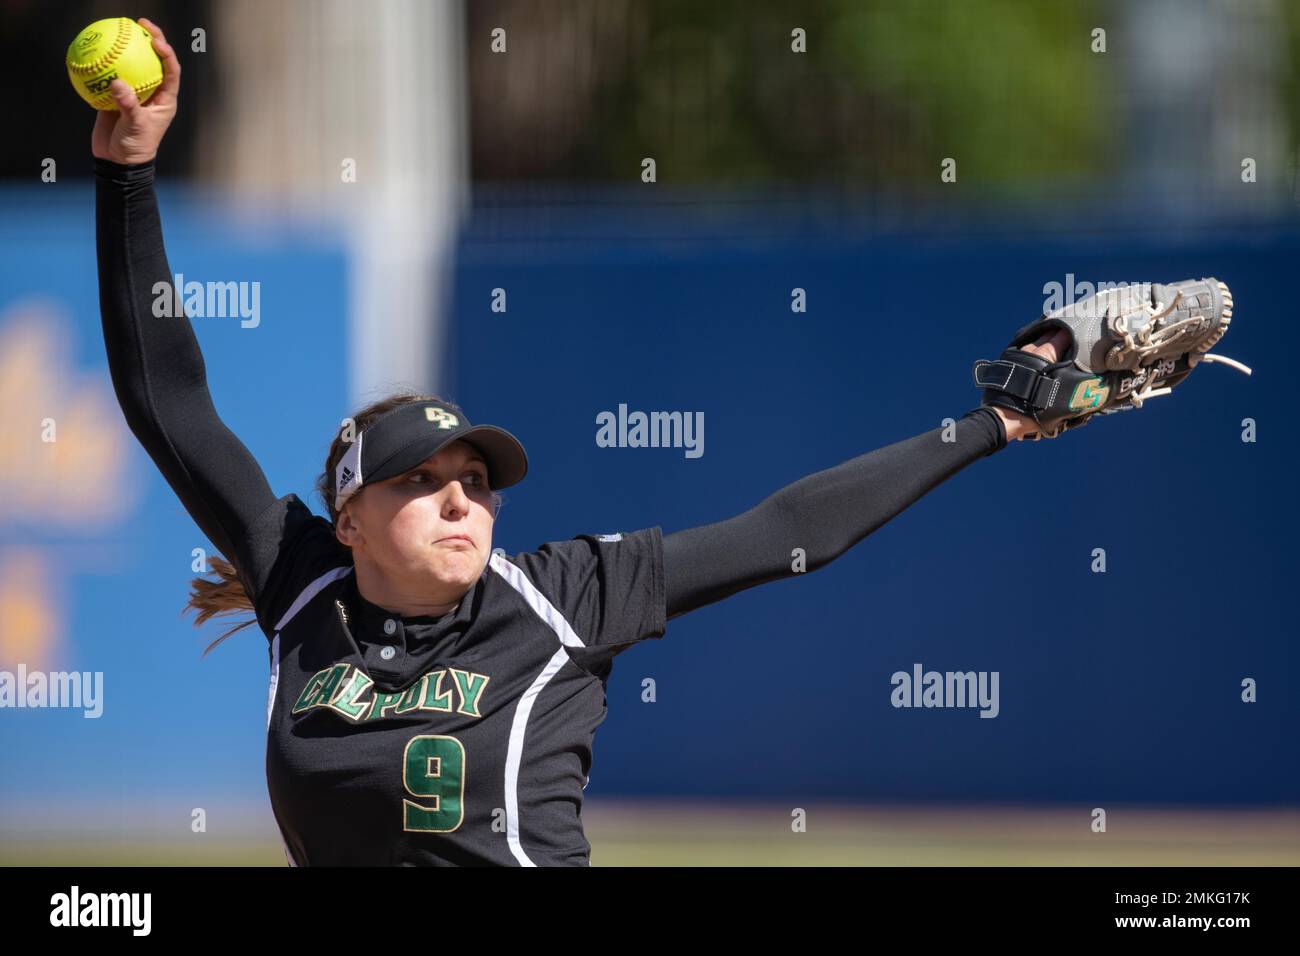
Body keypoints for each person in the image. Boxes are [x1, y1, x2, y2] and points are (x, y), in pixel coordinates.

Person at [94, 20, 1061, 866]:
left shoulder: (559, 599)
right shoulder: (299, 586)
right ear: (347, 519)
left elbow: (788, 530)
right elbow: (166, 401)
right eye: (421, 481)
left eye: (473, 480)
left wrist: (993, 424)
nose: (460, 499)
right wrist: (128, 174)